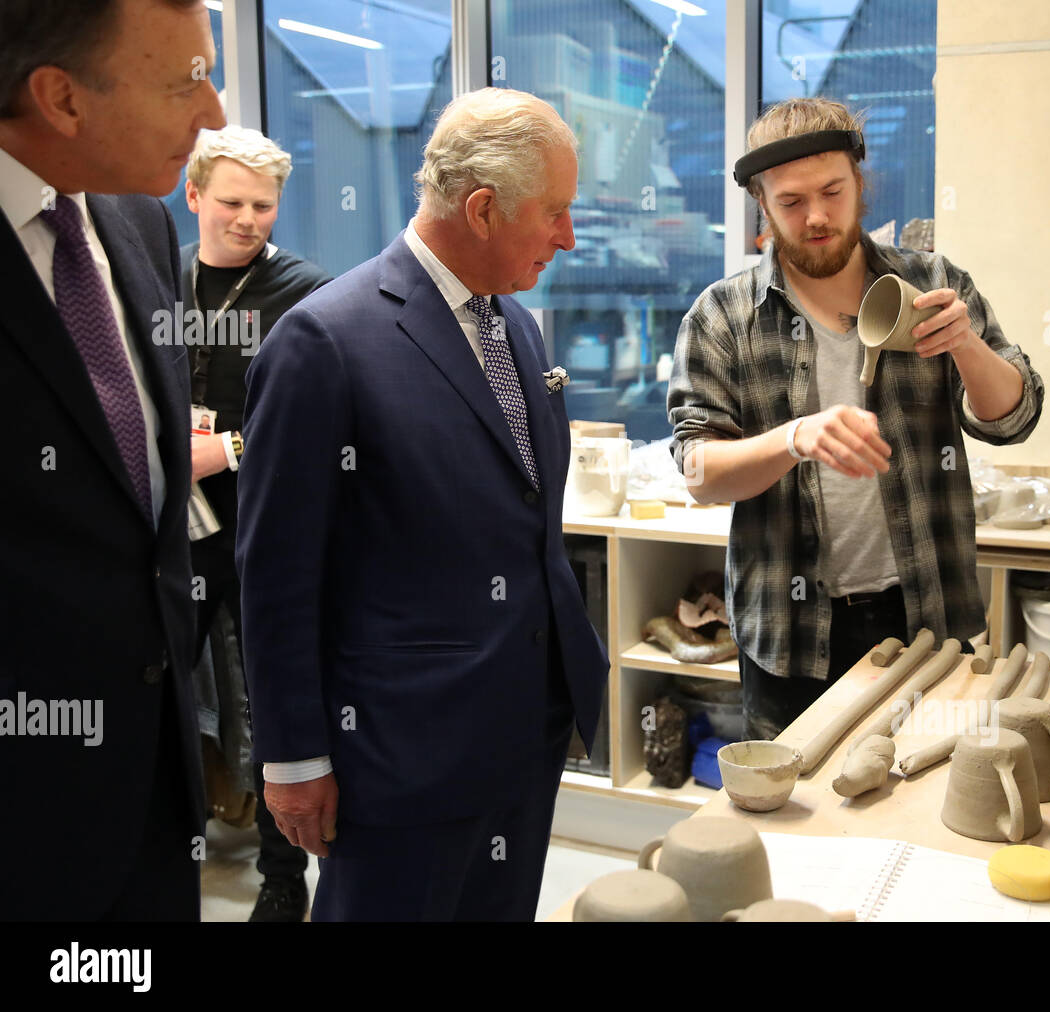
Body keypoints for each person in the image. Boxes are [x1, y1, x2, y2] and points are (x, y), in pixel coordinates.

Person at [235, 87, 608, 921]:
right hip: (403, 751)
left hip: (523, 730)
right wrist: (293, 760)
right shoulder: (324, 341)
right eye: (554, 212)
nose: (568, 236)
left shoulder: (515, 328)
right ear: (482, 208)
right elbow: (276, 575)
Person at [668, 98, 1045, 741]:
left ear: (859, 182)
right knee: (794, 818)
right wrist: (794, 437)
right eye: (790, 202)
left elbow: (1012, 418)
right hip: (788, 633)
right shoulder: (722, 316)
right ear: (762, 203)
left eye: (832, 191)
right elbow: (701, 474)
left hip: (927, 611)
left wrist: (966, 344)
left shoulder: (930, 282)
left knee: (931, 801)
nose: (815, 216)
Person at [0, 0, 225, 919]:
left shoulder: (139, 221)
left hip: (158, 793)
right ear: (60, 96)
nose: (212, 114)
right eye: (185, 83)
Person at [182, 125, 331, 922]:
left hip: (265, 528)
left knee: (277, 697)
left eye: (264, 206)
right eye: (232, 202)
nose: (248, 219)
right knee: (168, 691)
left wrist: (229, 447)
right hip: (180, 530)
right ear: (194, 195)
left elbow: (326, 419)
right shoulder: (159, 281)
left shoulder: (303, 291)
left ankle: (283, 878)